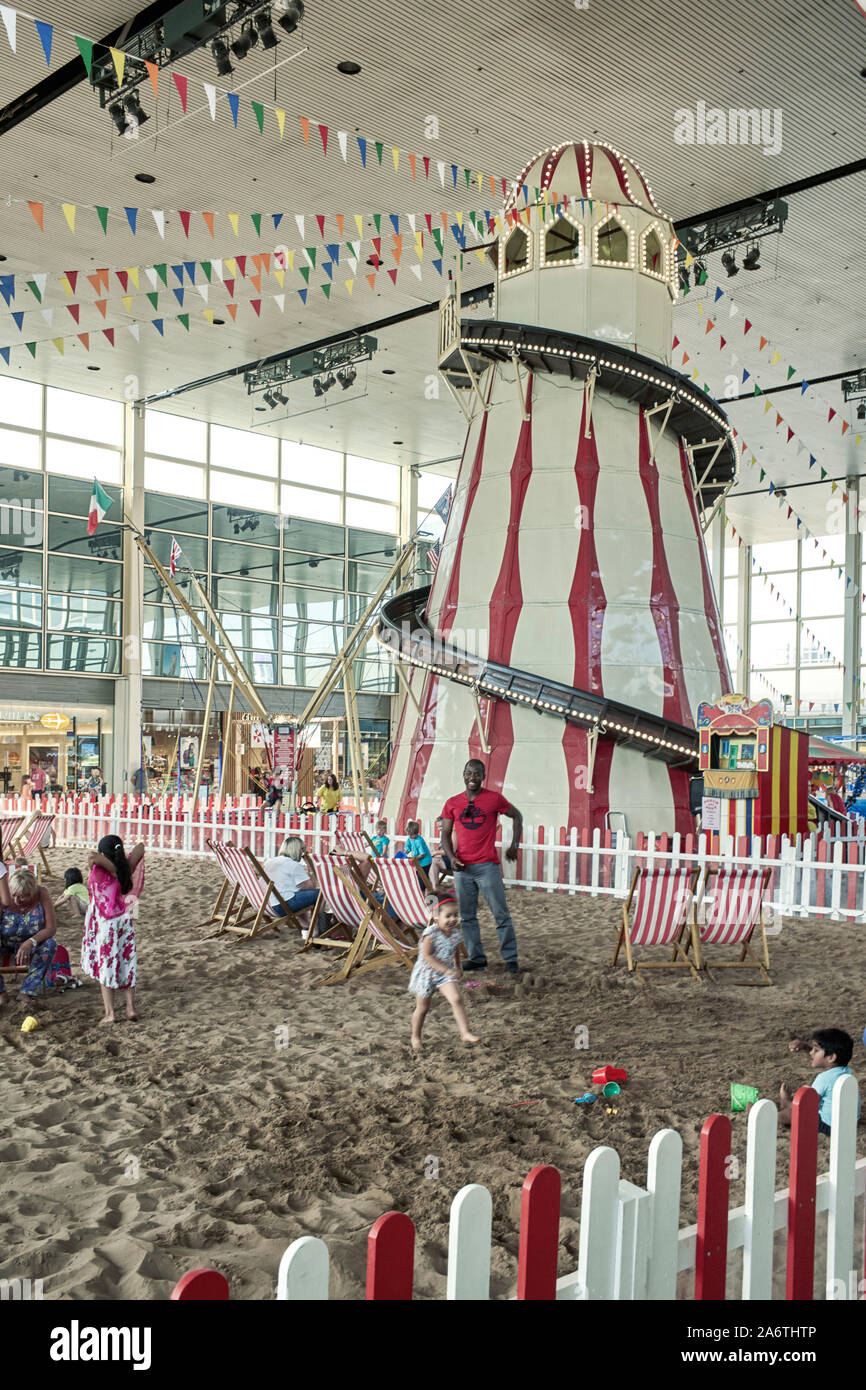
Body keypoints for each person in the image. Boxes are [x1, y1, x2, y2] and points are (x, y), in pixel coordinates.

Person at [440, 759, 523, 975]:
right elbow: (445, 835)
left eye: (477, 774)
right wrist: (451, 857)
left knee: (500, 914)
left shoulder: (494, 799)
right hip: (462, 869)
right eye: (469, 773)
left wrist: (514, 845)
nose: (472, 778)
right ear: (463, 774)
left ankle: (511, 959)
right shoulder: (452, 803)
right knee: (467, 916)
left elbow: (517, 816)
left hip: (487, 866)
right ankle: (477, 958)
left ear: (483, 776)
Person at [81, 834, 145, 1024]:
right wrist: (123, 864)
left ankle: (110, 1013)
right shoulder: (125, 868)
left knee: (106, 966)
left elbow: (92, 856)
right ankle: (130, 1008)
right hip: (124, 920)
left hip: (106, 923)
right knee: (127, 962)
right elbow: (141, 847)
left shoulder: (100, 868)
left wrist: (112, 864)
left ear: (103, 853)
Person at [408, 895, 479, 1051]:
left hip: (444, 974)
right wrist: (445, 969)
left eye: (455, 915)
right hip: (426, 974)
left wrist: (458, 967)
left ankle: (465, 1032)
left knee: (457, 998)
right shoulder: (430, 934)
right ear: (436, 918)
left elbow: (455, 951)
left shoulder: (454, 934)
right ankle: (416, 1037)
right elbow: (426, 956)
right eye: (448, 916)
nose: (452, 919)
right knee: (423, 1008)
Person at [780, 1029, 860, 1135]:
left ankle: (761, 1115)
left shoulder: (823, 1078)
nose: (812, 1052)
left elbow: (805, 1106)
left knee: (790, 1113)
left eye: (816, 1050)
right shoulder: (845, 1071)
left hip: (830, 1126)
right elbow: (824, 1057)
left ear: (831, 1057)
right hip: (850, 1124)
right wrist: (805, 1047)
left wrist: (785, 1099)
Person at [0, 863, 58, 1006]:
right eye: (14, 895)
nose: (16, 901)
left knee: (50, 945)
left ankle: (26, 991)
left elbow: (51, 928)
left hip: (32, 945)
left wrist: (30, 942)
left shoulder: (42, 894)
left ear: (32, 893)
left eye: (22, 897)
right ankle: (1, 993)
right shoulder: (4, 897)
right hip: (5, 943)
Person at [264, 836, 318, 931]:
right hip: (284, 906)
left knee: (298, 893)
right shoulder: (293, 865)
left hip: (270, 904)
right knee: (320, 894)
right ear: (296, 850)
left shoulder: (270, 862)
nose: (304, 852)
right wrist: (310, 867)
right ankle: (316, 928)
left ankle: (306, 926)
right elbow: (311, 886)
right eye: (303, 849)